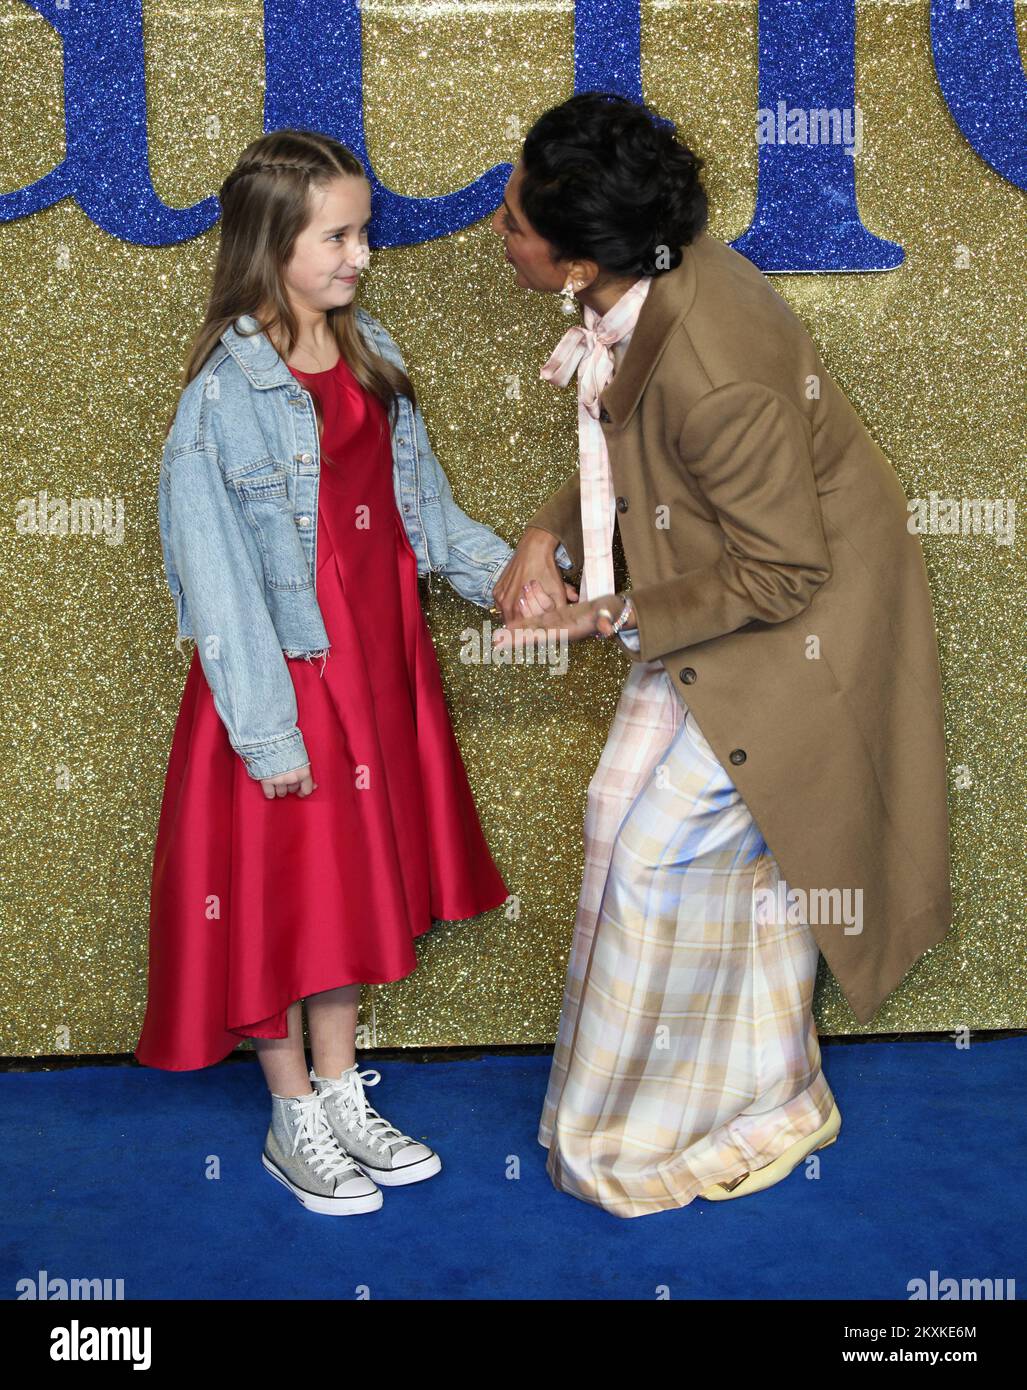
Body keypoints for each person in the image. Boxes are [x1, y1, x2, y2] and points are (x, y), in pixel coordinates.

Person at [492, 92, 952, 1217]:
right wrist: (548, 533)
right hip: (704, 585)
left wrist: (597, 615)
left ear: (572, 260)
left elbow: (784, 572)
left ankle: (687, 1124)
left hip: (793, 625)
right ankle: (748, 1085)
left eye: (510, 219)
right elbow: (625, 442)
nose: (493, 229)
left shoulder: (715, 358)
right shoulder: (640, 282)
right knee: (613, 811)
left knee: (658, 858)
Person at [134, 128, 570, 1216]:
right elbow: (218, 581)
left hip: (376, 668)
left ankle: (337, 1086)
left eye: (364, 231)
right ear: (271, 242)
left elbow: (424, 518)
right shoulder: (223, 394)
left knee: (335, 895)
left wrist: (523, 581)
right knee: (281, 895)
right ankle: (292, 1115)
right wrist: (269, 734)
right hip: (286, 683)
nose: (361, 254)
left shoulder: (369, 351)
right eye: (338, 235)